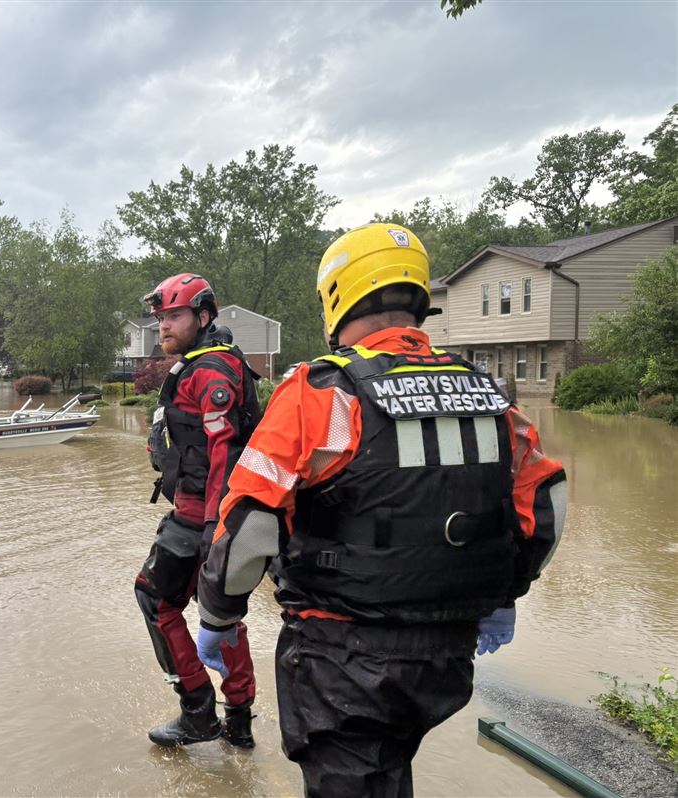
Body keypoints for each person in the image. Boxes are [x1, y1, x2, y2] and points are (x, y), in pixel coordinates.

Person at [195, 223, 567, 797]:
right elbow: (547, 502)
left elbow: (249, 524)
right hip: (447, 655)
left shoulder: (322, 391)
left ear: (338, 297)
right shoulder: (485, 391)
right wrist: (502, 597)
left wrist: (218, 617)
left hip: (341, 657)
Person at [134, 273, 261, 748]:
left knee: (154, 598)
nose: (163, 326)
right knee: (222, 616)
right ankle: (240, 723)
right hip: (215, 512)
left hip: (204, 514)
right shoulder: (207, 363)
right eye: (161, 317)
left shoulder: (210, 371)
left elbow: (223, 452)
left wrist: (213, 526)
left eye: (174, 316)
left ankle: (198, 712)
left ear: (203, 316)